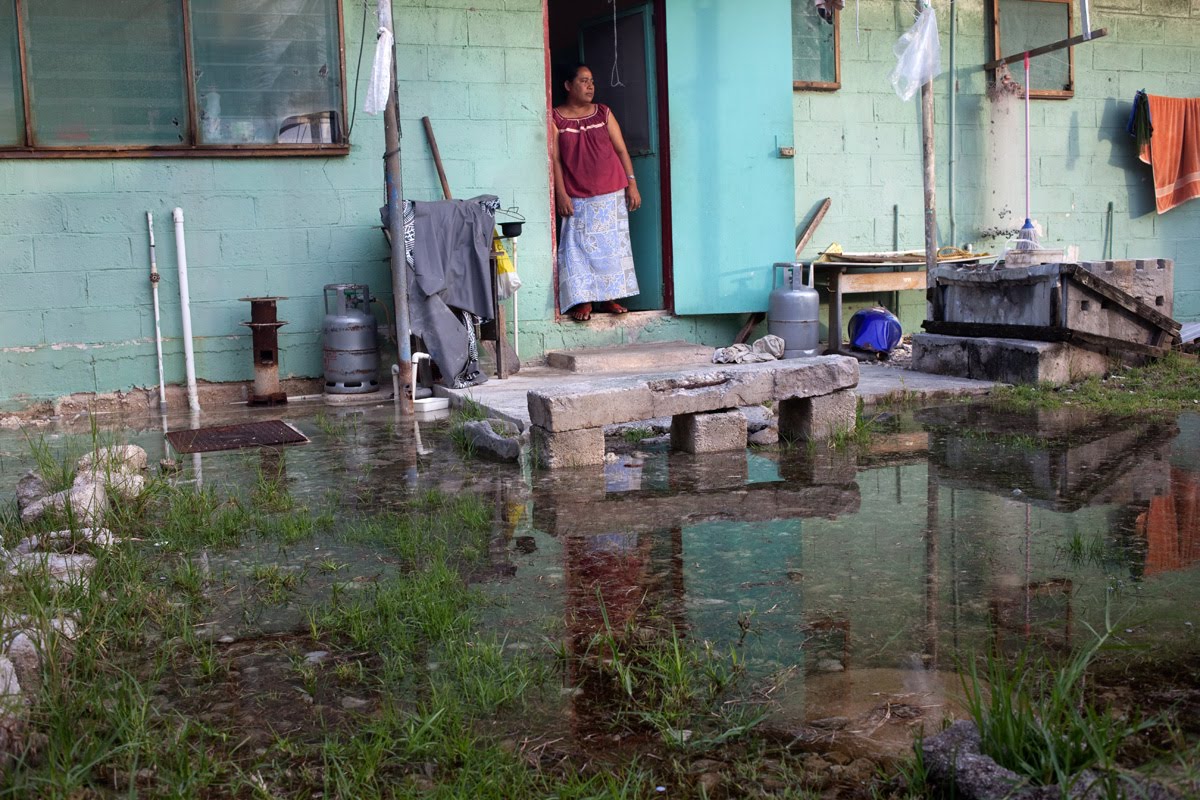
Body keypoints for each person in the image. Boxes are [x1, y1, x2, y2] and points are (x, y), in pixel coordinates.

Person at [552, 64, 641, 321]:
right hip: (577, 195)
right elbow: (555, 160)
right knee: (577, 248)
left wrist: (631, 183)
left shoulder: (603, 113)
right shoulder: (556, 118)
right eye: (583, 81)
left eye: (592, 81)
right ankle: (584, 301)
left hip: (612, 191)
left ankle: (610, 298)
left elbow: (622, 150)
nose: (590, 86)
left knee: (611, 249)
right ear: (568, 85)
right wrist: (561, 193)